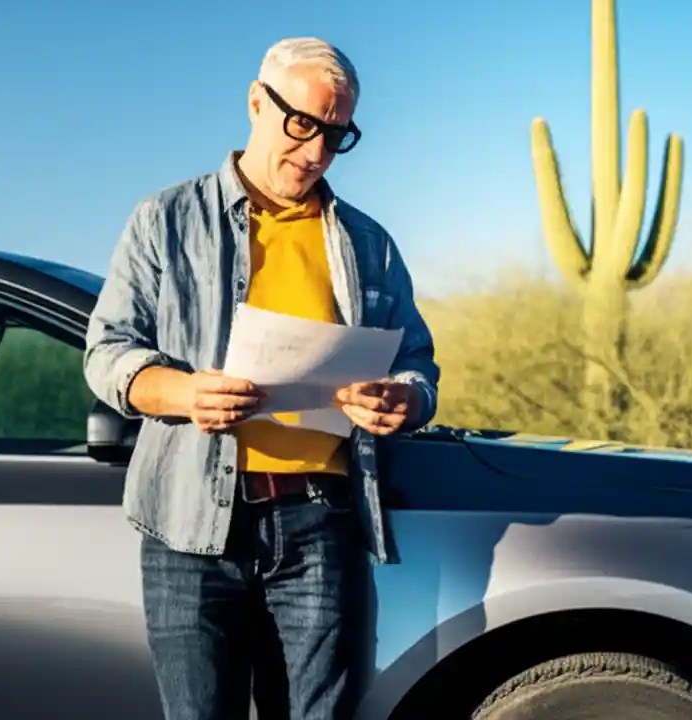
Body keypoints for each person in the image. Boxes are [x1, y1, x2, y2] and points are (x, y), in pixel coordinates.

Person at [84, 36, 440, 720]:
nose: (315, 152)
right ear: (256, 101)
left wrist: (406, 398)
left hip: (320, 523)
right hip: (188, 527)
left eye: (336, 136)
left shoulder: (370, 243)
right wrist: (181, 392)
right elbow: (107, 353)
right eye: (302, 124)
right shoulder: (163, 220)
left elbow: (418, 364)